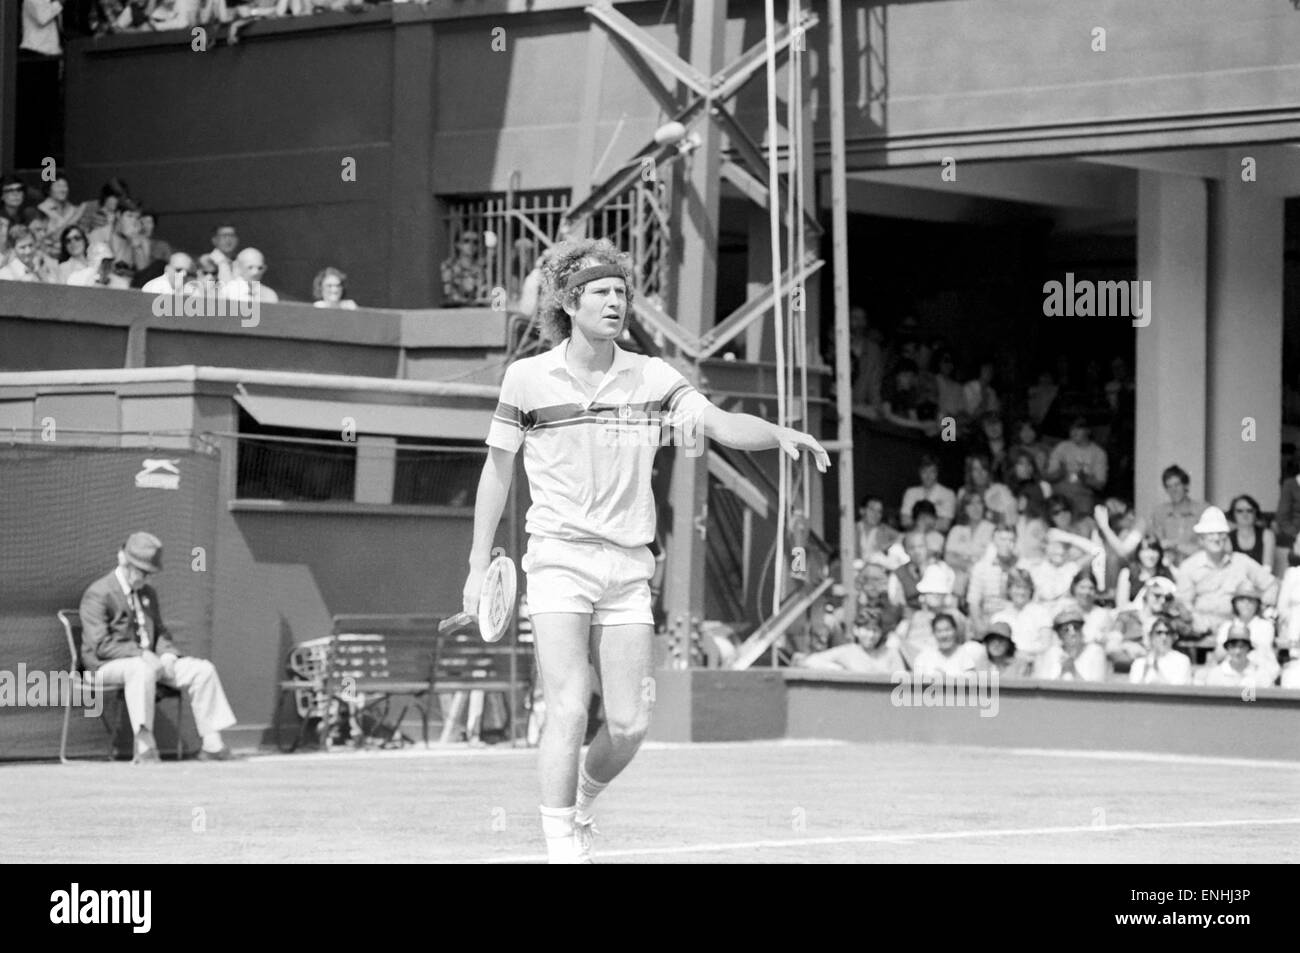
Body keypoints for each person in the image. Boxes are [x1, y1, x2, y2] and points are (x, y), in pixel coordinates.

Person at [460, 237, 828, 864]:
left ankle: (577, 799)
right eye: (602, 292)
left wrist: (779, 433)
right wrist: (477, 564)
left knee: (628, 725)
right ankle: (561, 847)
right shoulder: (525, 379)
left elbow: (716, 422)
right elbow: (497, 473)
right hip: (557, 558)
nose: (616, 302)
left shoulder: (652, 376)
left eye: (622, 293)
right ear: (570, 303)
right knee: (570, 705)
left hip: (628, 566)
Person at [78, 532, 238, 762]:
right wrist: (142, 654)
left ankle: (212, 744)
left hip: (150, 662)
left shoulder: (148, 593)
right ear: (125, 563)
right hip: (103, 667)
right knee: (140, 669)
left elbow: (160, 632)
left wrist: (168, 655)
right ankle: (145, 747)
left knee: (203, 670)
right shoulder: (99, 593)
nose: (148, 579)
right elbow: (101, 645)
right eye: (143, 572)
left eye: (150, 573)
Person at [1175, 506, 1277, 637]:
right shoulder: (1189, 566)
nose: (1216, 538)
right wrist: (1195, 620)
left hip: (1239, 633)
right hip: (1201, 634)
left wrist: (1261, 609)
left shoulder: (1242, 562)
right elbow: (1184, 604)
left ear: (1227, 536)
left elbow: (1271, 584)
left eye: (1221, 533)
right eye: (1210, 533)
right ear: (1201, 539)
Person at [792, 603, 905, 676]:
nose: (870, 635)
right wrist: (837, 669)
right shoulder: (848, 651)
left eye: (875, 630)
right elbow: (810, 661)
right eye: (866, 629)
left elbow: (902, 680)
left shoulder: (890, 653)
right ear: (856, 630)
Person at [989, 568, 1055, 667]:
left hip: (1034, 663)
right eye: (1017, 587)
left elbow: (1046, 644)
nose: (1021, 592)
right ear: (1009, 589)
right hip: (1005, 665)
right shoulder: (998, 617)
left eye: (1025, 588)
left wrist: (1023, 655)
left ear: (1031, 590)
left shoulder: (1041, 612)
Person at [1044, 417, 1108, 518]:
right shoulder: (1062, 447)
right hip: (1061, 496)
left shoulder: (1098, 453)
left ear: (1087, 431)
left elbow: (1100, 484)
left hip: (1082, 497)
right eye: (1071, 429)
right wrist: (1061, 472)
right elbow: (1048, 476)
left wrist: (1085, 478)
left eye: (1078, 429)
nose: (1074, 432)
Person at [965, 524, 1022, 634]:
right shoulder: (981, 567)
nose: (1007, 544)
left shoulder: (1020, 566)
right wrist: (979, 626)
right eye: (1002, 539)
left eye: (1011, 540)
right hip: (988, 617)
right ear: (994, 541)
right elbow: (973, 601)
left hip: (1014, 617)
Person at [1149, 464, 1208, 567]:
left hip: (1198, 566)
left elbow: (1206, 548)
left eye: (1177, 485)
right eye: (1169, 487)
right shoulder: (1159, 512)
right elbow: (1157, 545)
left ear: (1186, 485)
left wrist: (1174, 545)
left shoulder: (1202, 511)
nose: (1173, 490)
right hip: (1168, 567)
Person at [1210, 580, 1276, 668]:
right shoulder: (1226, 626)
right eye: (1241, 600)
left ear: (1257, 604)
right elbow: (1219, 654)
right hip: (1232, 670)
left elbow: (1263, 653)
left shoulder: (1266, 626)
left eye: (1250, 600)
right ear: (1235, 604)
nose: (1246, 604)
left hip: (1258, 670)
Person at [943, 492, 996, 600]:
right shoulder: (956, 530)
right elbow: (949, 557)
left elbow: (991, 558)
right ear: (964, 508)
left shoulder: (992, 529)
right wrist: (968, 566)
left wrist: (962, 560)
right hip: (958, 576)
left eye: (979, 503)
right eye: (971, 504)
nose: (976, 507)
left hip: (983, 576)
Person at [1033, 605, 1107, 681]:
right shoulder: (1052, 653)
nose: (1072, 633)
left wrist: (1073, 670)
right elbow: (1045, 687)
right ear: (1059, 635)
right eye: (1066, 629)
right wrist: (1063, 672)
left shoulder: (1095, 651)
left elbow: (1096, 689)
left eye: (1076, 627)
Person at [1197, 623, 1279, 688]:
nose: (1237, 651)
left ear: (1248, 648)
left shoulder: (1260, 674)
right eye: (1233, 646)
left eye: (1242, 646)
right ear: (1227, 648)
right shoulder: (1216, 674)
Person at [910, 613, 984, 679]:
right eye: (939, 631)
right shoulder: (922, 658)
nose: (944, 635)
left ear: (955, 630)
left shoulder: (968, 652)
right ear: (933, 633)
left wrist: (946, 679)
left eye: (947, 630)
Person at [957, 453, 1017, 529]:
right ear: (970, 472)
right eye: (975, 469)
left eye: (983, 469)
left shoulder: (1000, 490)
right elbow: (961, 521)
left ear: (989, 471)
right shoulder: (963, 492)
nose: (980, 473)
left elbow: (1012, 519)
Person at [1128, 618, 1192, 686]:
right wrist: (1144, 674)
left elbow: (1179, 691)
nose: (1163, 637)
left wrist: (1158, 673)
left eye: (1168, 633)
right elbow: (1133, 691)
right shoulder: (1140, 662)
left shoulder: (1182, 660)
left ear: (1173, 637)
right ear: (1151, 636)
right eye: (1159, 632)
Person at [899, 456, 956, 532]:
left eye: (932, 472)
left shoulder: (948, 494)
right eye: (924, 472)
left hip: (937, 537)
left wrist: (918, 523)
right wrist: (932, 522)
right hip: (912, 535)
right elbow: (904, 521)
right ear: (919, 473)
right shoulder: (910, 492)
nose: (928, 476)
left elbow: (945, 525)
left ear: (937, 473)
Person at [1226, 494, 1274, 571]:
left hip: (1262, 580)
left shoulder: (1267, 535)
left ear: (1256, 513)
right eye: (1239, 511)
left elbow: (1267, 568)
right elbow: (1227, 569)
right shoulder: (1228, 537)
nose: (1245, 514)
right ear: (1233, 514)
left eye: (1249, 510)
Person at [442, 229, 484, 305]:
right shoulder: (449, 266)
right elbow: (448, 292)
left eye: (475, 242)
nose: (471, 245)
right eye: (466, 241)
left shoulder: (482, 267)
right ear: (457, 244)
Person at [856, 496, 899, 561]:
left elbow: (903, 537)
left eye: (879, 511)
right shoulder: (853, 528)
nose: (876, 514)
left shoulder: (884, 529)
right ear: (862, 511)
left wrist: (887, 545)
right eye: (872, 510)